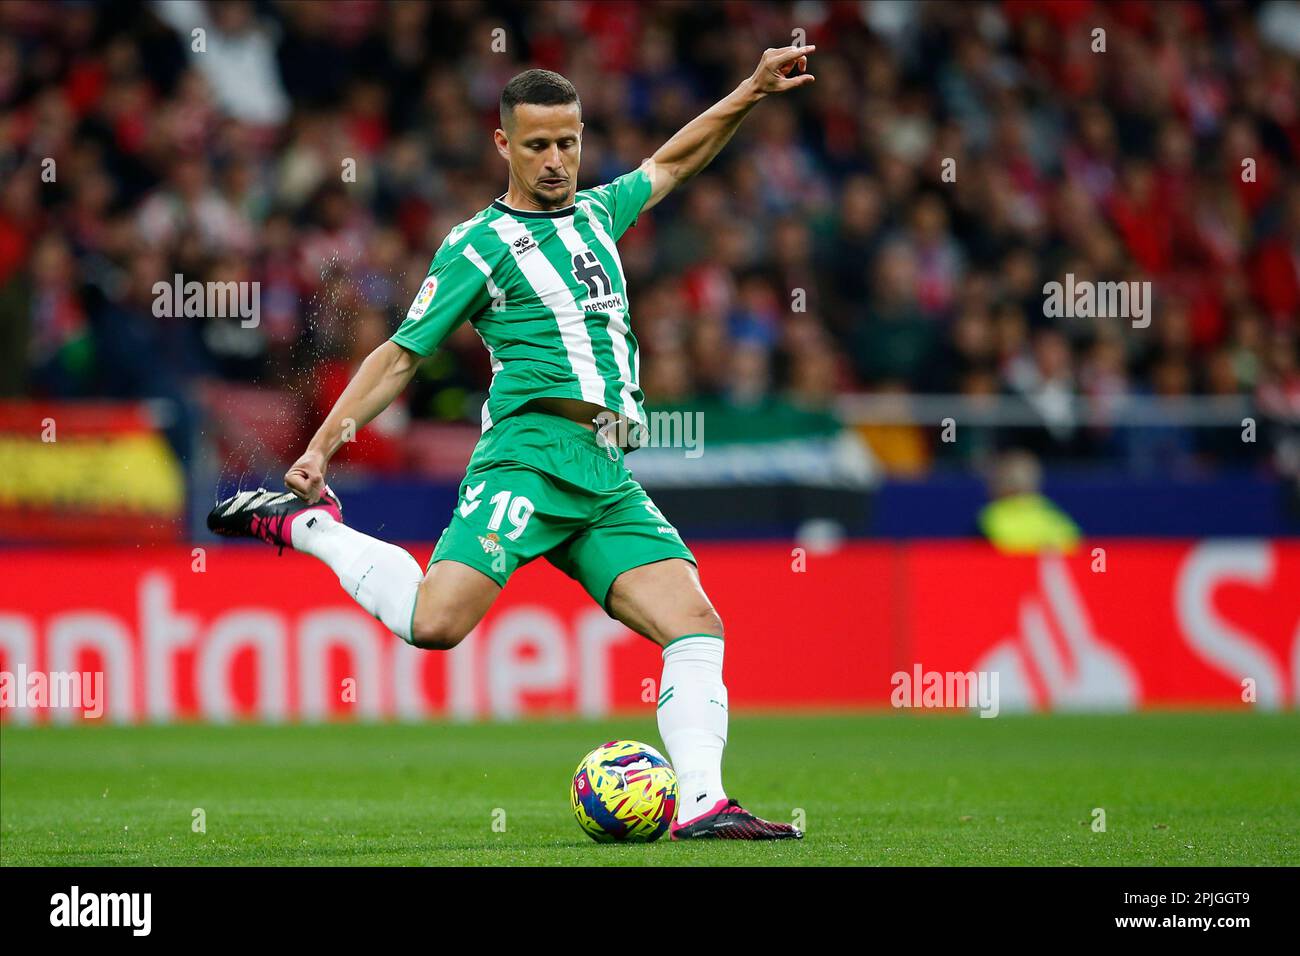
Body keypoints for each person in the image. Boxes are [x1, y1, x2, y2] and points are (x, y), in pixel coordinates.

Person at [209, 47, 819, 840]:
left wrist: (751, 89)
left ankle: (702, 801)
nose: (557, 159)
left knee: (697, 625)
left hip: (605, 472)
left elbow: (674, 161)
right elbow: (400, 353)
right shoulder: (478, 244)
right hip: (529, 455)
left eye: (567, 142)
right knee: (436, 623)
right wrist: (323, 447)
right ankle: (307, 525)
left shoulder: (601, 213)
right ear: (504, 145)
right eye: (537, 145)